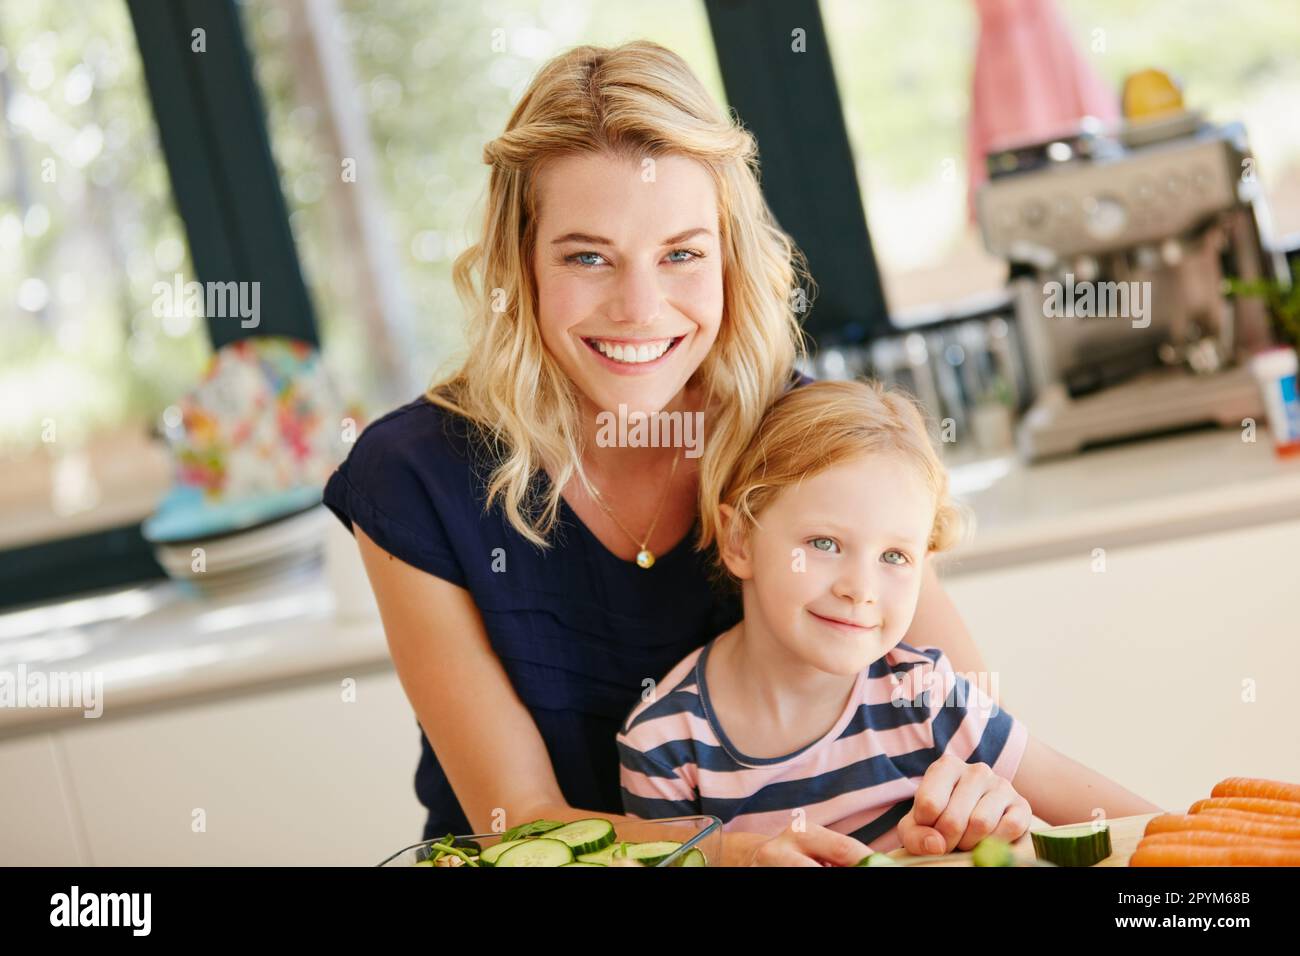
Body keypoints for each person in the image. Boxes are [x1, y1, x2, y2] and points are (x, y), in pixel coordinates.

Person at [324, 40, 1028, 866]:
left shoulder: (798, 433)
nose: (639, 308)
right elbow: (522, 820)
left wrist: (971, 789)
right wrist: (720, 852)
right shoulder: (413, 478)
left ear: (728, 256)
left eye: (682, 255)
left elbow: (960, 703)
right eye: (588, 257)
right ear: (521, 264)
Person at [617, 380, 1163, 863]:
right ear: (739, 541)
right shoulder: (663, 744)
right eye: (824, 543)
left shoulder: (928, 697)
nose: (860, 588)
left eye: (894, 557)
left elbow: (1134, 824)